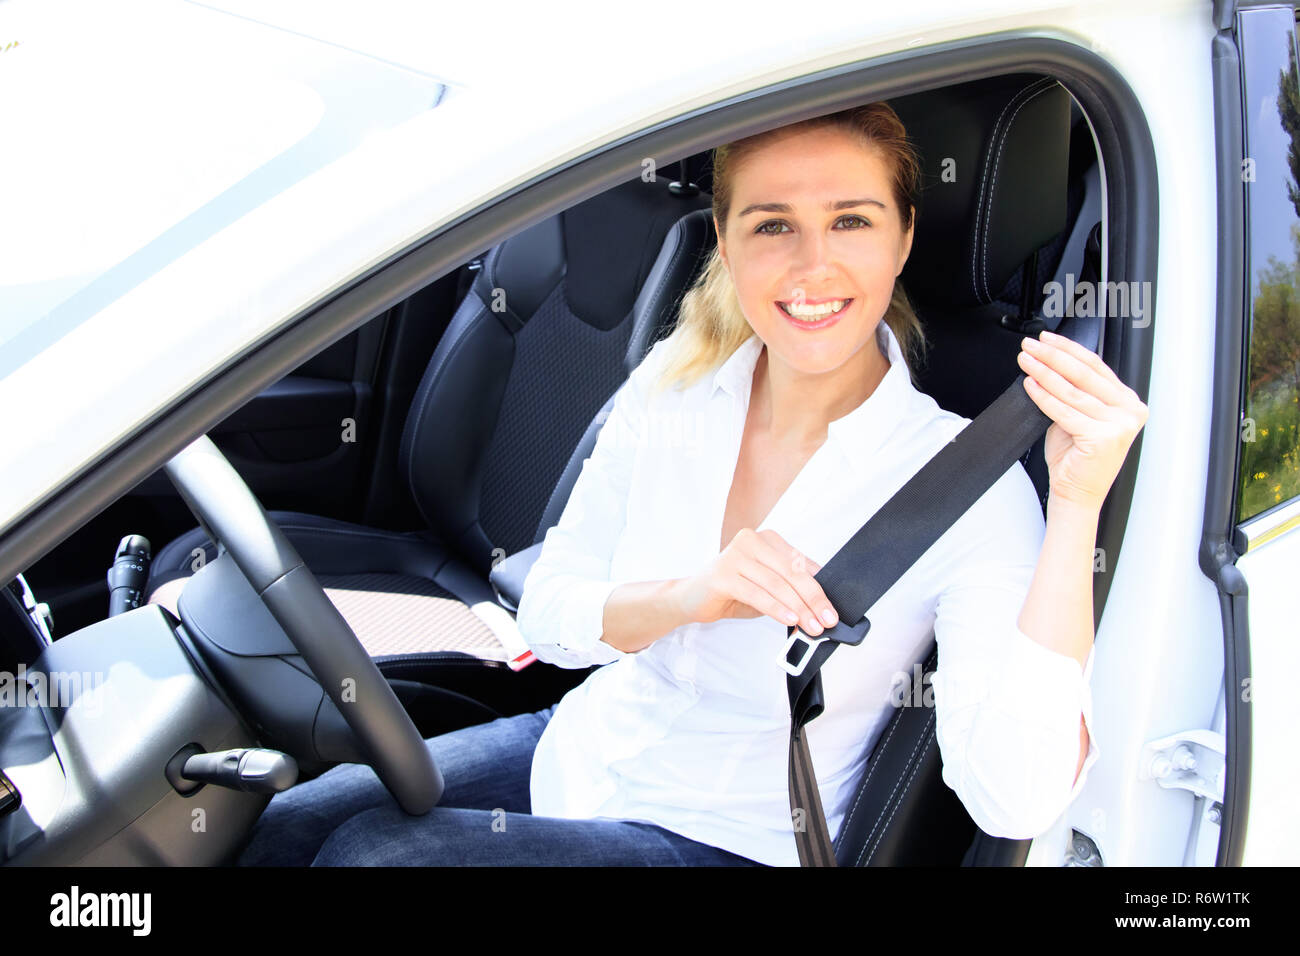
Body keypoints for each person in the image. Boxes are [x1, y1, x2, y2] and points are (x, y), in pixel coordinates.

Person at [235, 101, 1148, 867]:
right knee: (282, 827)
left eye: (852, 220)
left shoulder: (969, 486)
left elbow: (1016, 802)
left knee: (370, 861)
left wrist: (1076, 505)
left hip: (728, 837)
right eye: (773, 224)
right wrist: (687, 597)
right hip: (582, 752)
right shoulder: (677, 382)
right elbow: (552, 618)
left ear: (905, 236)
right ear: (725, 237)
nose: (812, 265)